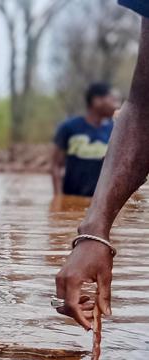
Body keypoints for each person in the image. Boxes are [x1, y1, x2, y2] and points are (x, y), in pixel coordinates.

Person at [55, 1, 149, 328]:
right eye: (108, 97)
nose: (113, 102)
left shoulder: (108, 128)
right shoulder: (71, 127)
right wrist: (95, 232)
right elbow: (143, 106)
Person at [50, 83, 120, 198]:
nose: (116, 105)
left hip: (101, 200)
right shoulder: (68, 127)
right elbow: (56, 165)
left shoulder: (115, 130)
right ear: (97, 101)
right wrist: (58, 198)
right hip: (71, 198)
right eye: (113, 100)